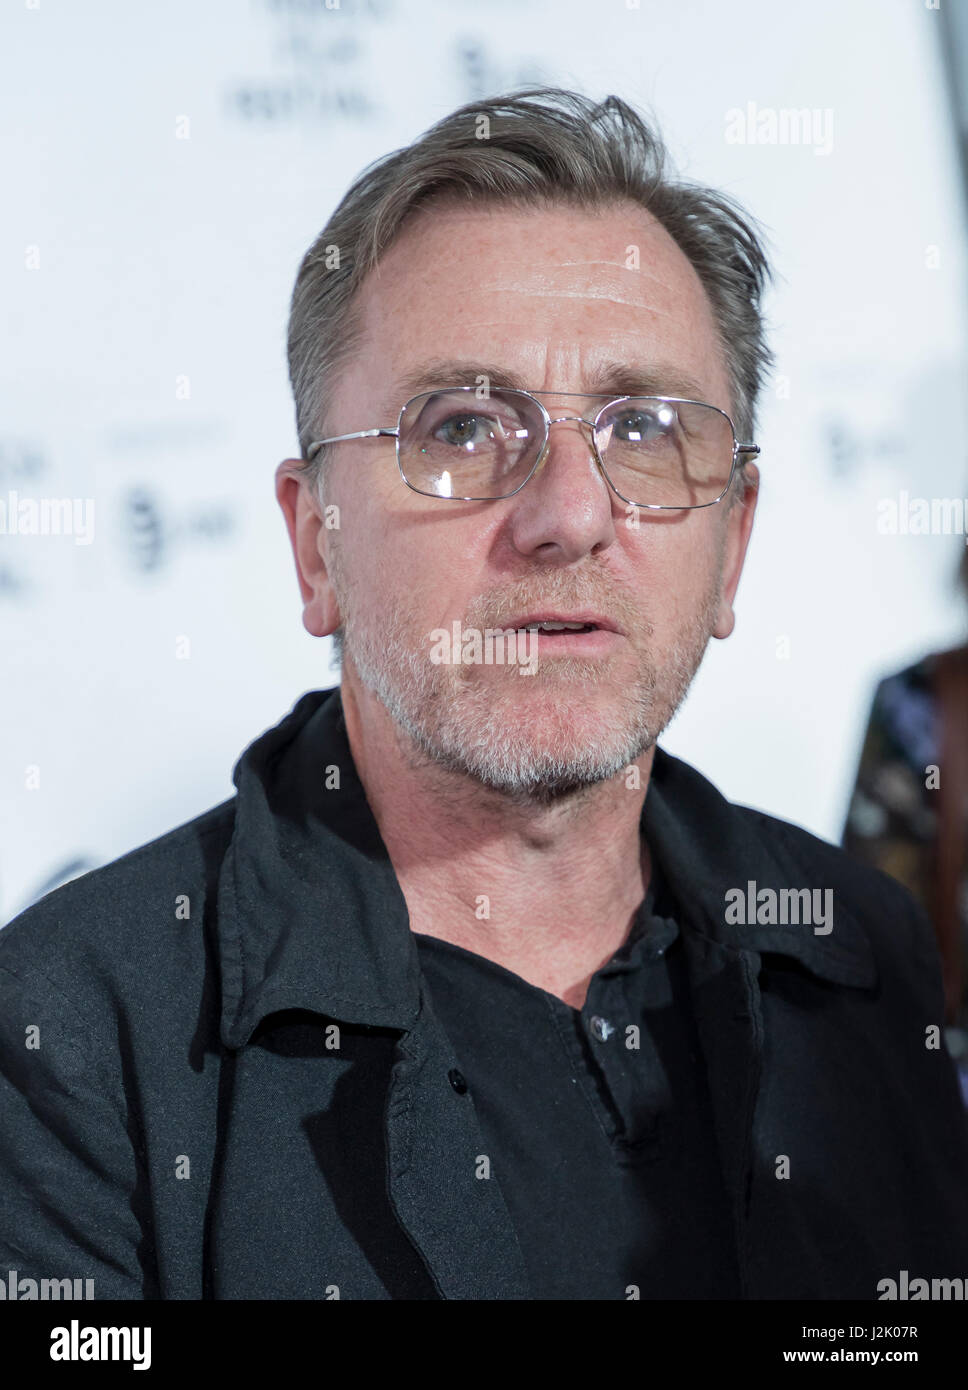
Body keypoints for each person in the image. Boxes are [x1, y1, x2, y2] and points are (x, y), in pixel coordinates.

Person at [1, 87, 966, 1302]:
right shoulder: (74, 1037)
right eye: (461, 425)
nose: (570, 514)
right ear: (317, 547)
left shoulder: (855, 947)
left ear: (730, 542)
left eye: (646, 425)